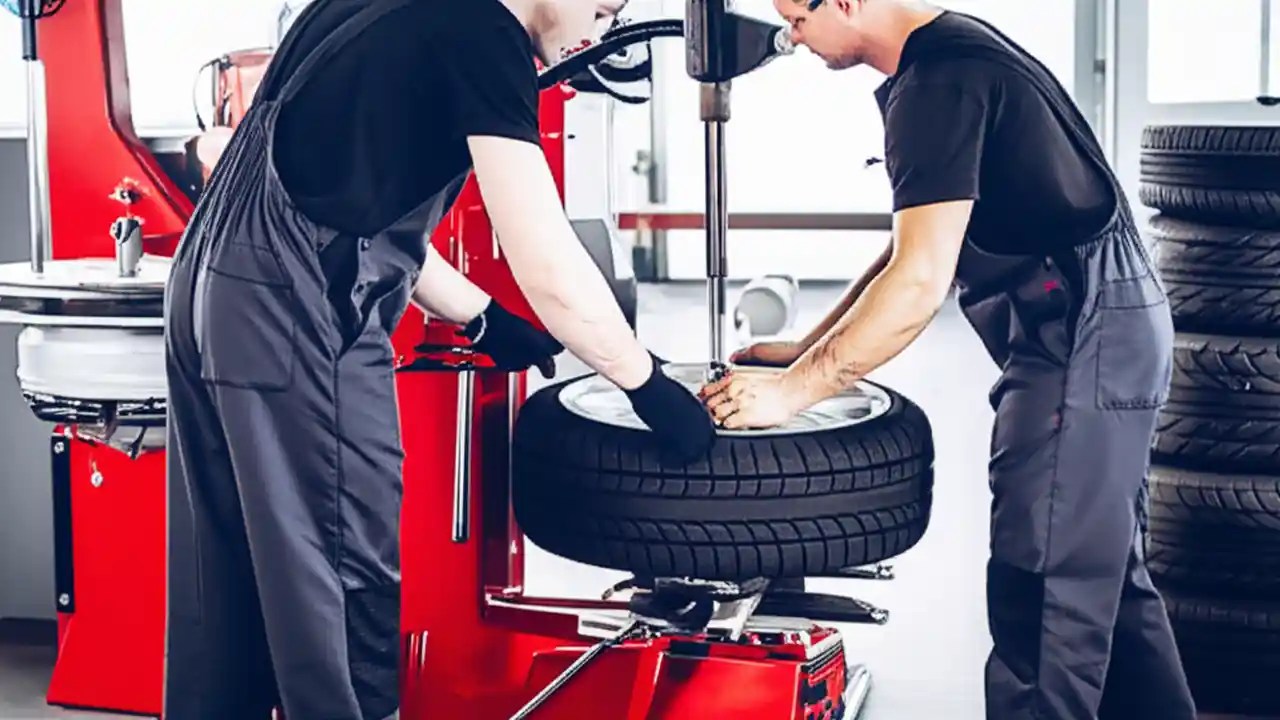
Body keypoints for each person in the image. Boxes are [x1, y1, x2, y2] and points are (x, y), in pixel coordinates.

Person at [161, 0, 716, 718]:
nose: (603, 31)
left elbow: (338, 201)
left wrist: (483, 320)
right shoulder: (486, 37)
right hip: (290, 320)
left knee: (224, 584)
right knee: (340, 571)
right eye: (606, 8)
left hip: (209, 290)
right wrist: (647, 385)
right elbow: (546, 262)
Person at [700, 1, 1196, 718]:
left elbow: (919, 284)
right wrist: (810, 350)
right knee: (1106, 584)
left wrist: (792, 394)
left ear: (842, 2)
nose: (791, 36)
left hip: (1082, 340)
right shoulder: (950, 50)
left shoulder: (941, 82)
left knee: (1046, 589)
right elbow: (919, 242)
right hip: (1104, 326)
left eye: (796, 17)